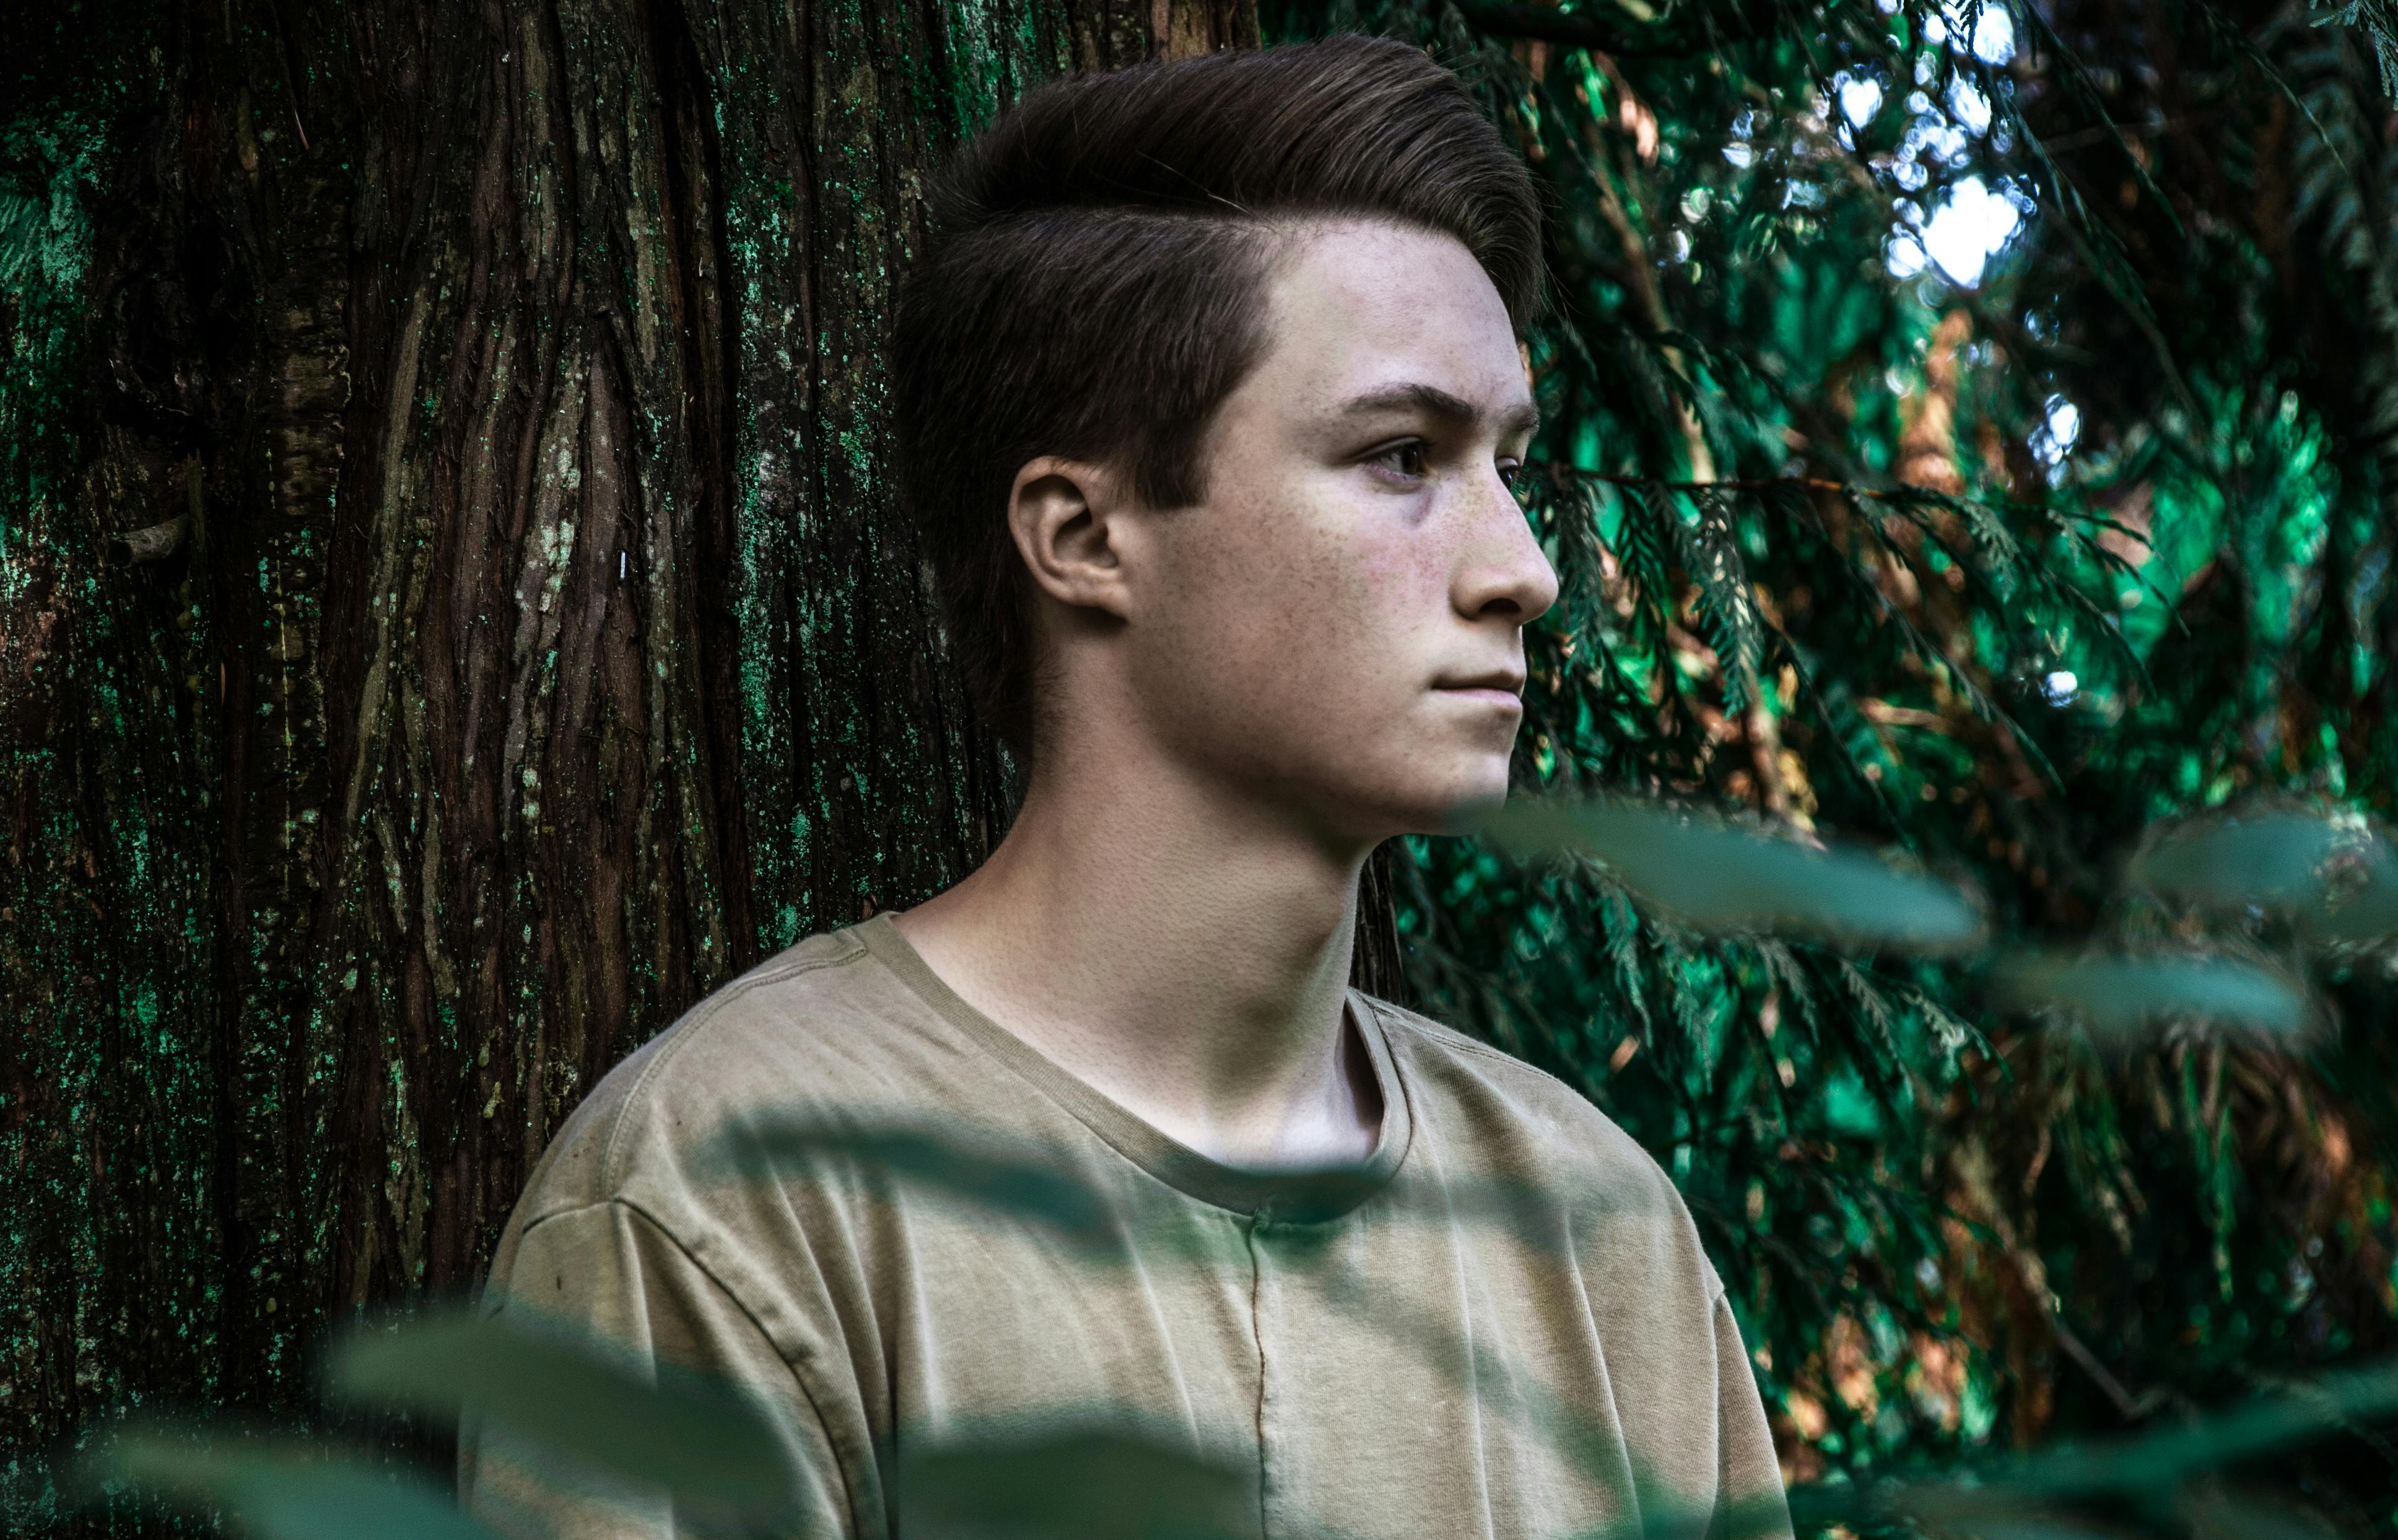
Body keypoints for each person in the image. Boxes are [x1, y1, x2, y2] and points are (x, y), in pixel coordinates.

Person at [460, 33, 1792, 1540]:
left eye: (1508, 464)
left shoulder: (1600, 1241)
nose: (1524, 571)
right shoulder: (729, 1206)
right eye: (1403, 455)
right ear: (1083, 536)